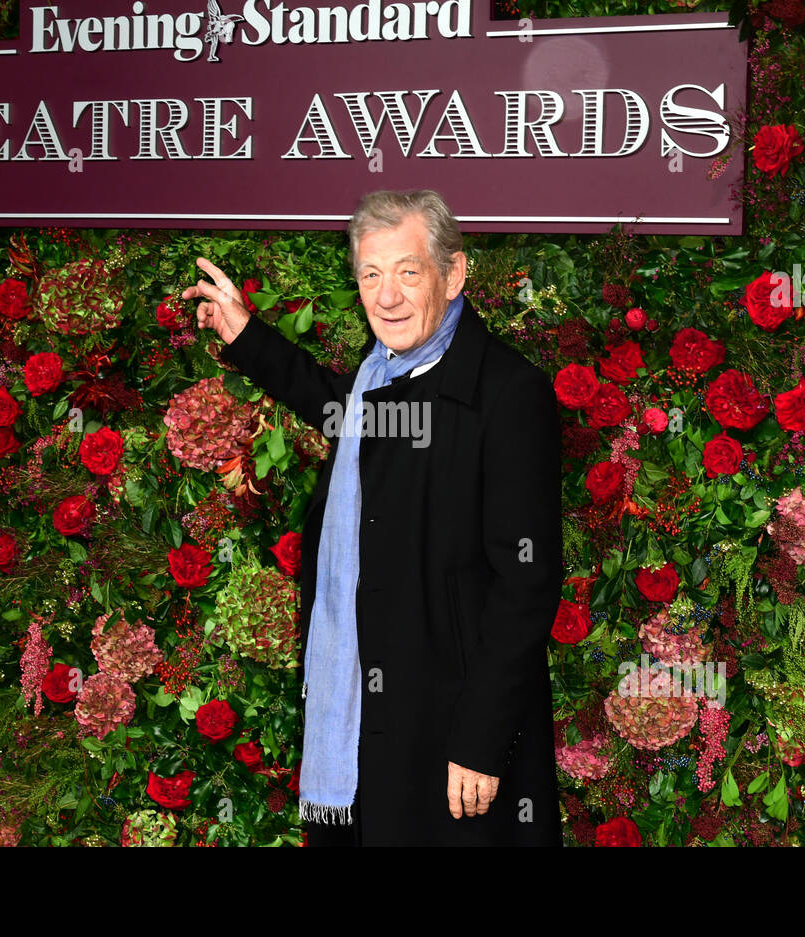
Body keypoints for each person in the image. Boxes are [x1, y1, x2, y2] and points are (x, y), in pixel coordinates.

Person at [182, 189, 563, 846]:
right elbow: (331, 405)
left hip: (451, 742)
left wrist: (480, 739)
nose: (387, 296)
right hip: (359, 730)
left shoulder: (506, 394)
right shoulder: (377, 381)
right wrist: (246, 336)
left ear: (455, 273)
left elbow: (526, 584)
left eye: (408, 271)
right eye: (371, 273)